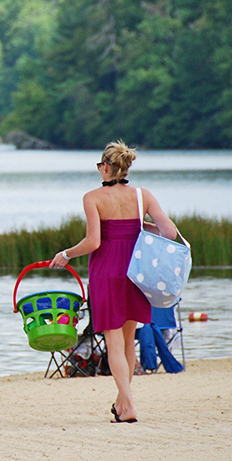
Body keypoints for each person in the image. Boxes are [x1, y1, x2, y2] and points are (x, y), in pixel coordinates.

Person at [49, 140, 177, 423]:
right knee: (128, 341)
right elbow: (169, 233)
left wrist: (66, 254)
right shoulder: (143, 196)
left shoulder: (92, 197)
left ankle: (128, 405)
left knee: (114, 341)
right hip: (136, 273)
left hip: (107, 273)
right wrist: (139, 225)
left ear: (105, 167)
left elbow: (94, 242)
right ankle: (122, 402)